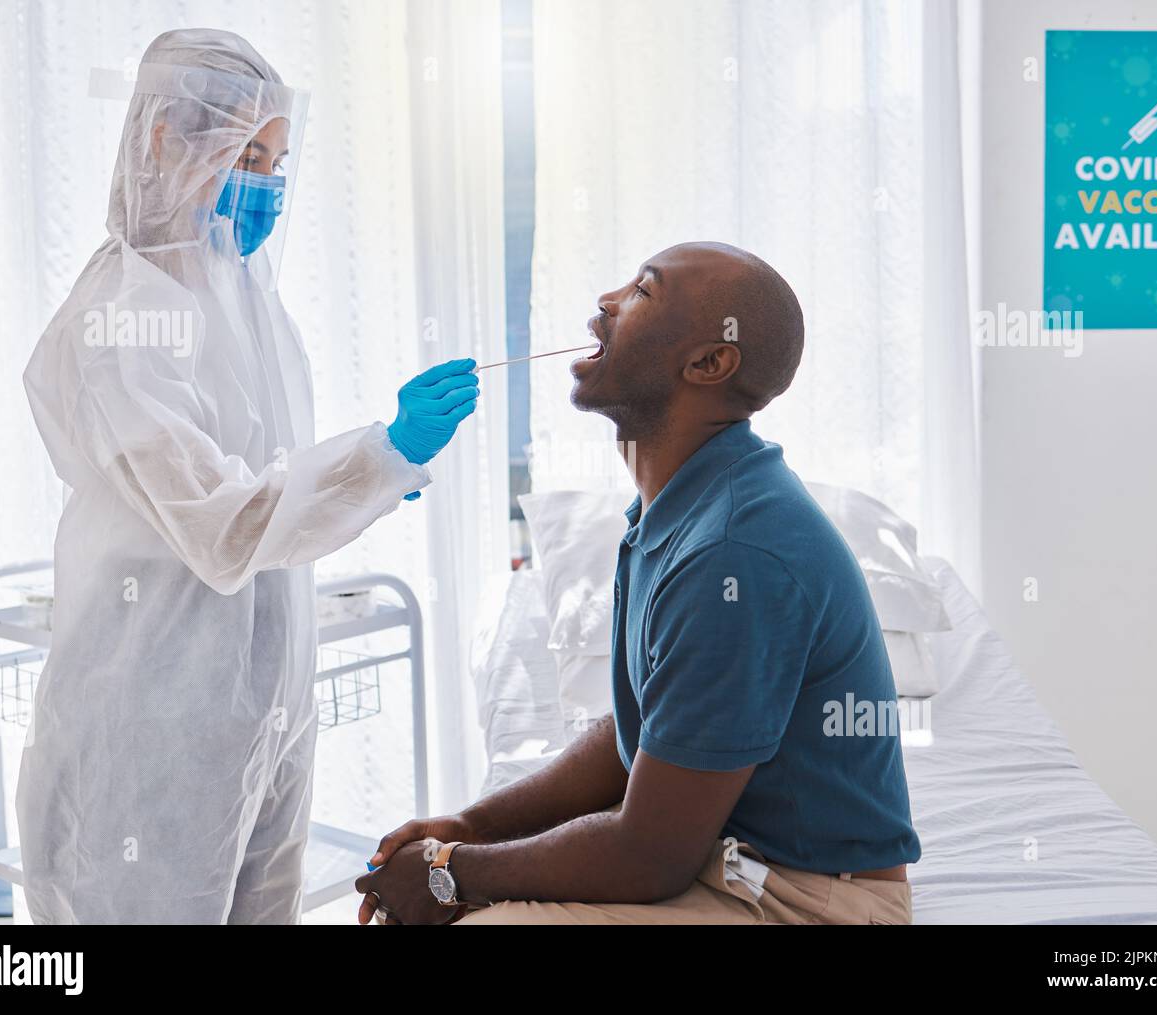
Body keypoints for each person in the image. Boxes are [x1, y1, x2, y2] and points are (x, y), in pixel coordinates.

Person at [18, 28, 478, 924]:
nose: (265, 182)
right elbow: (224, 522)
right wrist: (381, 455)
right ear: (164, 142)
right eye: (245, 154)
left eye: (277, 159)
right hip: (149, 722)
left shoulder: (248, 294)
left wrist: (375, 472)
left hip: (263, 708)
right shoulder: (121, 319)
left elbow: (270, 483)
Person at [356, 242, 920, 925]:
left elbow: (650, 854)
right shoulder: (681, 509)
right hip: (728, 862)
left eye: (643, 292)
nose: (606, 300)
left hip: (807, 900)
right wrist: (470, 826)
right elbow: (642, 739)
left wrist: (449, 876)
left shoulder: (734, 551)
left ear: (710, 362)